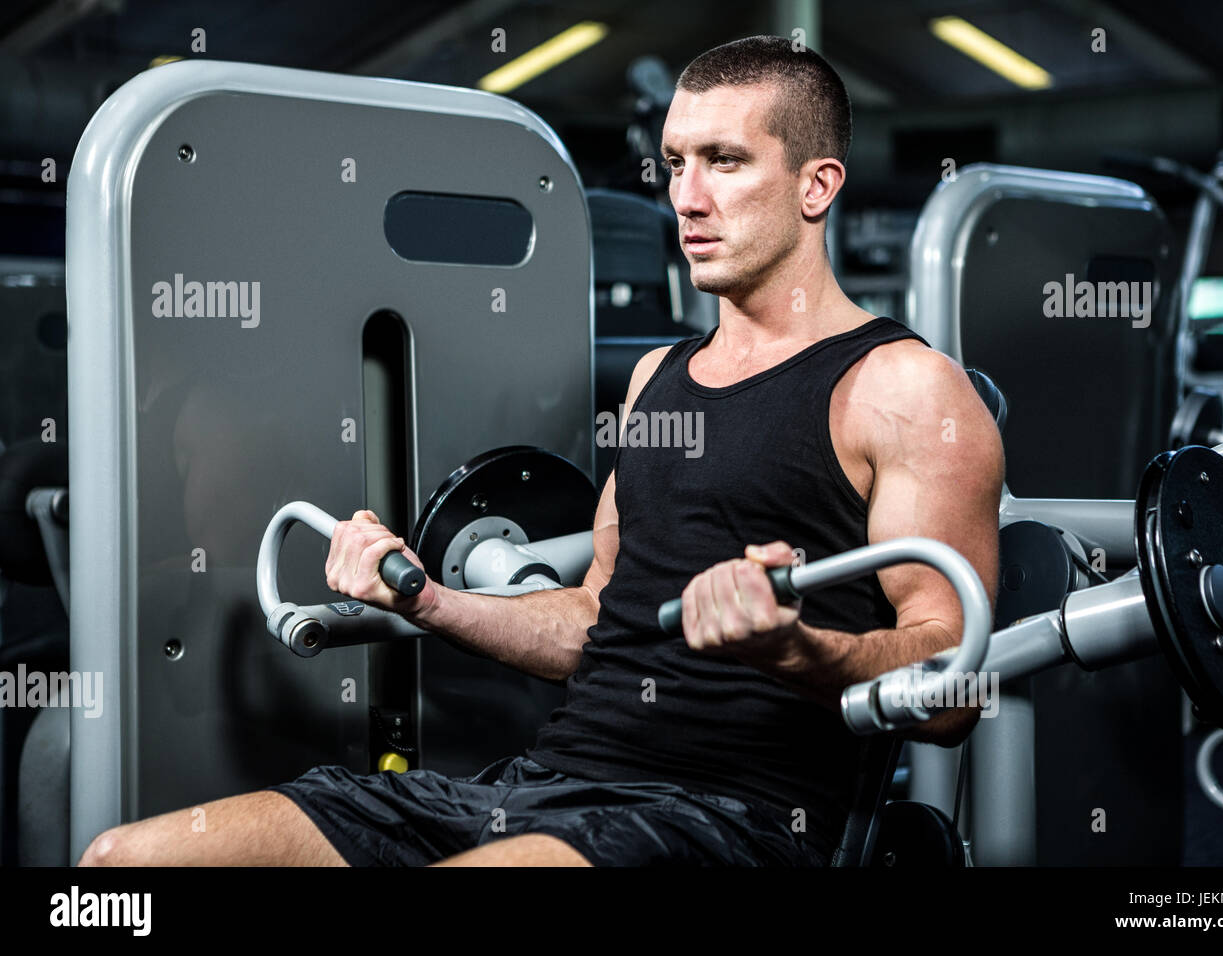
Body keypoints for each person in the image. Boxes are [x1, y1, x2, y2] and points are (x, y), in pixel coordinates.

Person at [79, 35, 1003, 867]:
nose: (686, 197)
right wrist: (427, 598)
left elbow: (957, 684)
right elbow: (593, 620)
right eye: (675, 162)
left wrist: (794, 647)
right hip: (536, 792)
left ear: (817, 185)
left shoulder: (903, 390)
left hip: (729, 821)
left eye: (725, 161)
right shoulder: (656, 381)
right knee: (124, 866)